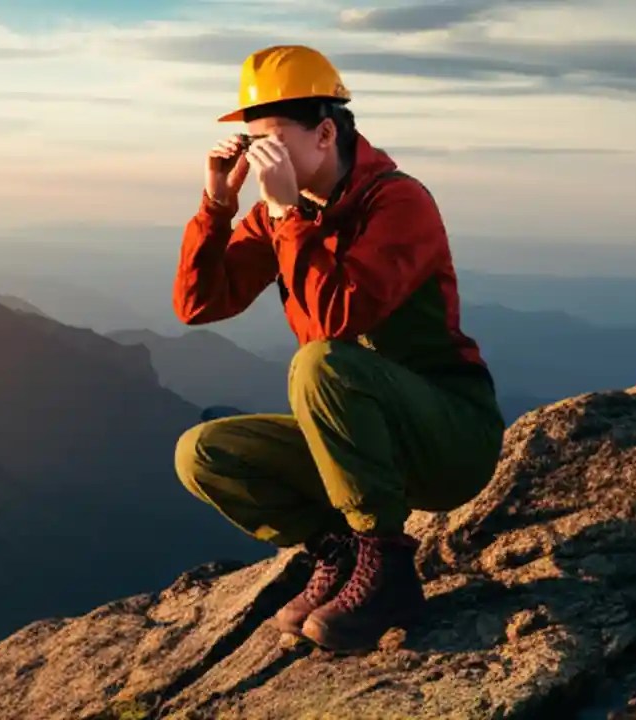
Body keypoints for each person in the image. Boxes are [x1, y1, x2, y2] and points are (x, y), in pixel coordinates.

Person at [172, 44, 505, 653]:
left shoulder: (398, 202)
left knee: (319, 363)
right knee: (203, 453)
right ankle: (342, 552)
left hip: (450, 440)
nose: (260, 157)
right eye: (252, 145)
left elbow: (336, 320)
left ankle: (389, 570)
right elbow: (200, 304)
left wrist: (282, 210)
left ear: (325, 133)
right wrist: (219, 206)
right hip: (357, 443)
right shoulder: (284, 215)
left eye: (270, 141)